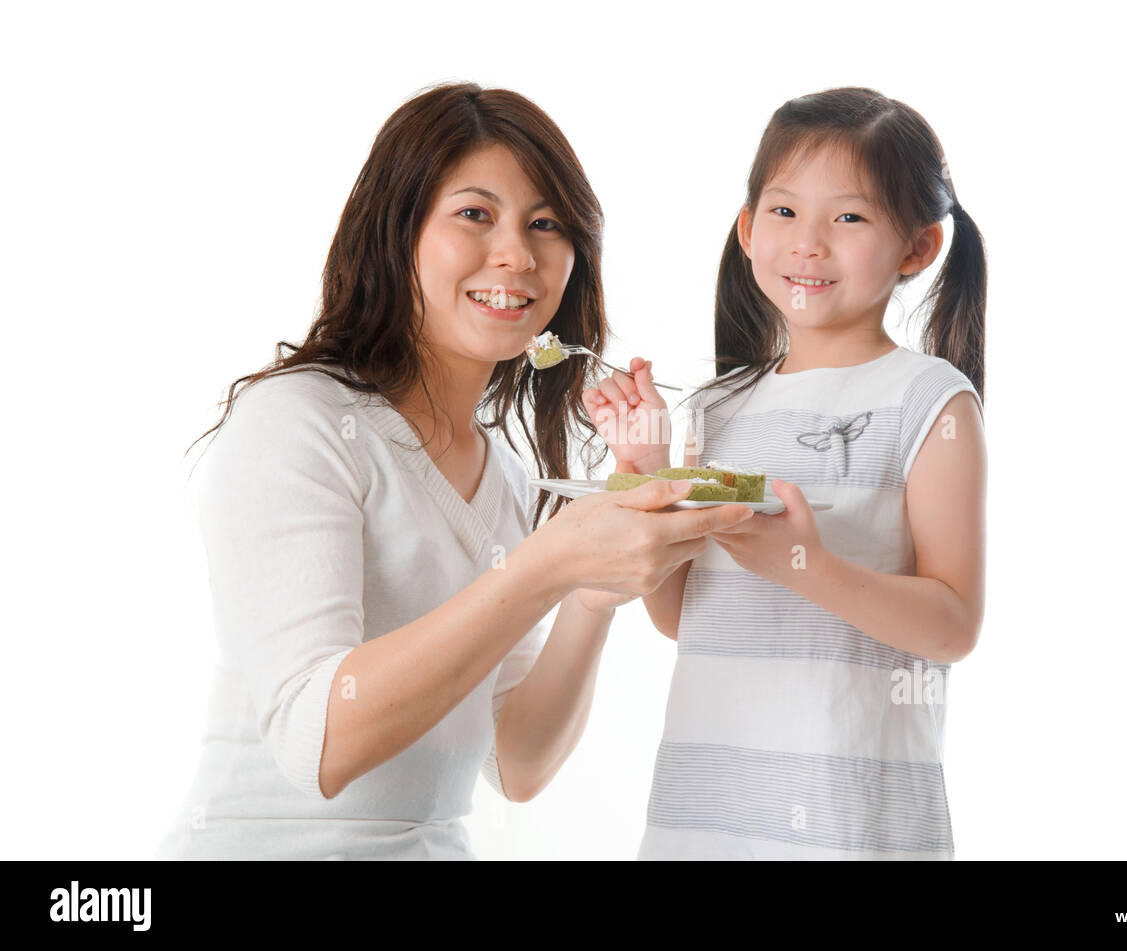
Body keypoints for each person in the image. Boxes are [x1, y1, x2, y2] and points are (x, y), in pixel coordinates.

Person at [154, 81, 753, 860]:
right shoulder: (296, 423)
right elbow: (318, 743)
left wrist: (592, 593)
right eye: (475, 214)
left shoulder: (501, 473)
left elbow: (519, 760)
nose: (516, 254)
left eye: (546, 224)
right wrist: (549, 562)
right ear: (395, 231)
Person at [588, 87, 988, 859]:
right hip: (703, 818)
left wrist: (807, 565)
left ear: (917, 248)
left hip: (851, 826)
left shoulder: (928, 400)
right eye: (782, 213)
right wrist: (647, 474)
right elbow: (683, 616)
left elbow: (954, 624)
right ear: (746, 229)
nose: (808, 243)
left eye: (849, 217)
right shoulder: (719, 405)